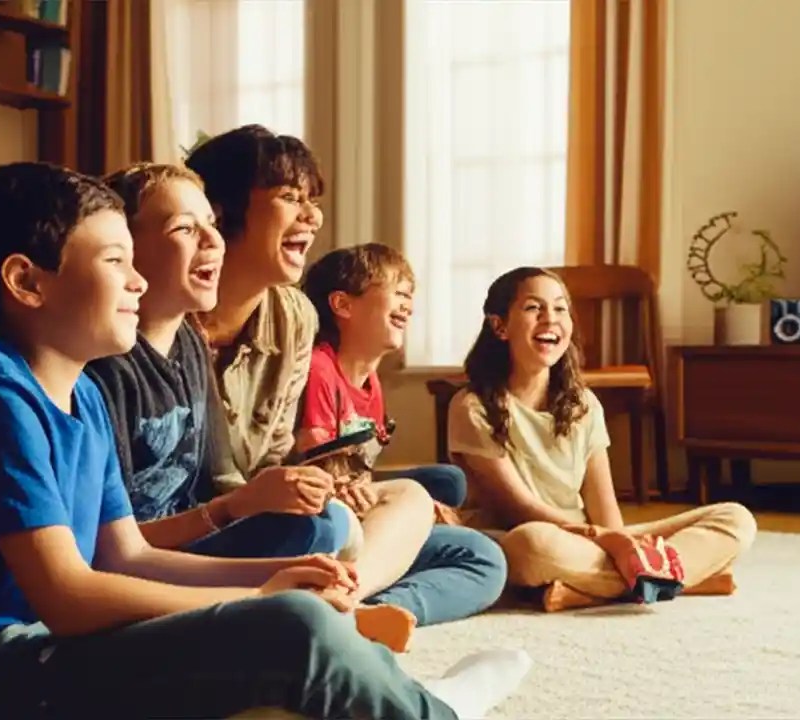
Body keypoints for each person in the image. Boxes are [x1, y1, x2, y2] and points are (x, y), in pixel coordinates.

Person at [0, 162, 532, 719]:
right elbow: (68, 595)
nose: (139, 281)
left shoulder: (79, 394)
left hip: (34, 647)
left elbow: (128, 554)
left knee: (295, 629)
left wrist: (272, 578)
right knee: (292, 632)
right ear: (27, 280)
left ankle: (399, 698)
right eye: (117, 260)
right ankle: (432, 711)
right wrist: (264, 600)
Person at [187, 125, 507, 630]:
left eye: (311, 201)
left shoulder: (293, 316)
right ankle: (329, 597)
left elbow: (274, 457)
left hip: (279, 509)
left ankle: (353, 609)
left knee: (481, 557)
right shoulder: (169, 319)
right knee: (326, 529)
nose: (312, 217)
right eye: (290, 198)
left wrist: (321, 486)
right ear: (219, 212)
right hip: (216, 529)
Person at [85, 163, 409, 649]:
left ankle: (339, 602)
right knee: (321, 531)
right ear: (125, 250)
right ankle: (331, 606)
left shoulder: (190, 345)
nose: (213, 241)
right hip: (156, 558)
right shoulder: (101, 368)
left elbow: (219, 474)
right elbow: (112, 550)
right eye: (185, 229)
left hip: (200, 539)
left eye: (210, 224)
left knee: (471, 552)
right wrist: (239, 508)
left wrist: (276, 492)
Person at [447, 266, 758, 612]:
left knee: (736, 518)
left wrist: (617, 538)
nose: (551, 319)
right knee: (531, 545)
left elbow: (604, 511)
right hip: (520, 538)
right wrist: (608, 540)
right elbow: (518, 508)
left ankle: (592, 589)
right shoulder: (472, 406)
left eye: (561, 308)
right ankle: (670, 577)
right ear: (500, 326)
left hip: (587, 541)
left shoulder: (584, 404)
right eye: (534, 308)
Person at [297, 243, 469, 514]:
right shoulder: (319, 367)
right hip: (324, 494)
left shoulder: (371, 381)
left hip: (354, 487)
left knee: (449, 481)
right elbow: (316, 468)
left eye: (410, 297)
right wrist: (399, 506)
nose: (408, 308)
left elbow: (362, 471)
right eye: (399, 293)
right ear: (343, 304)